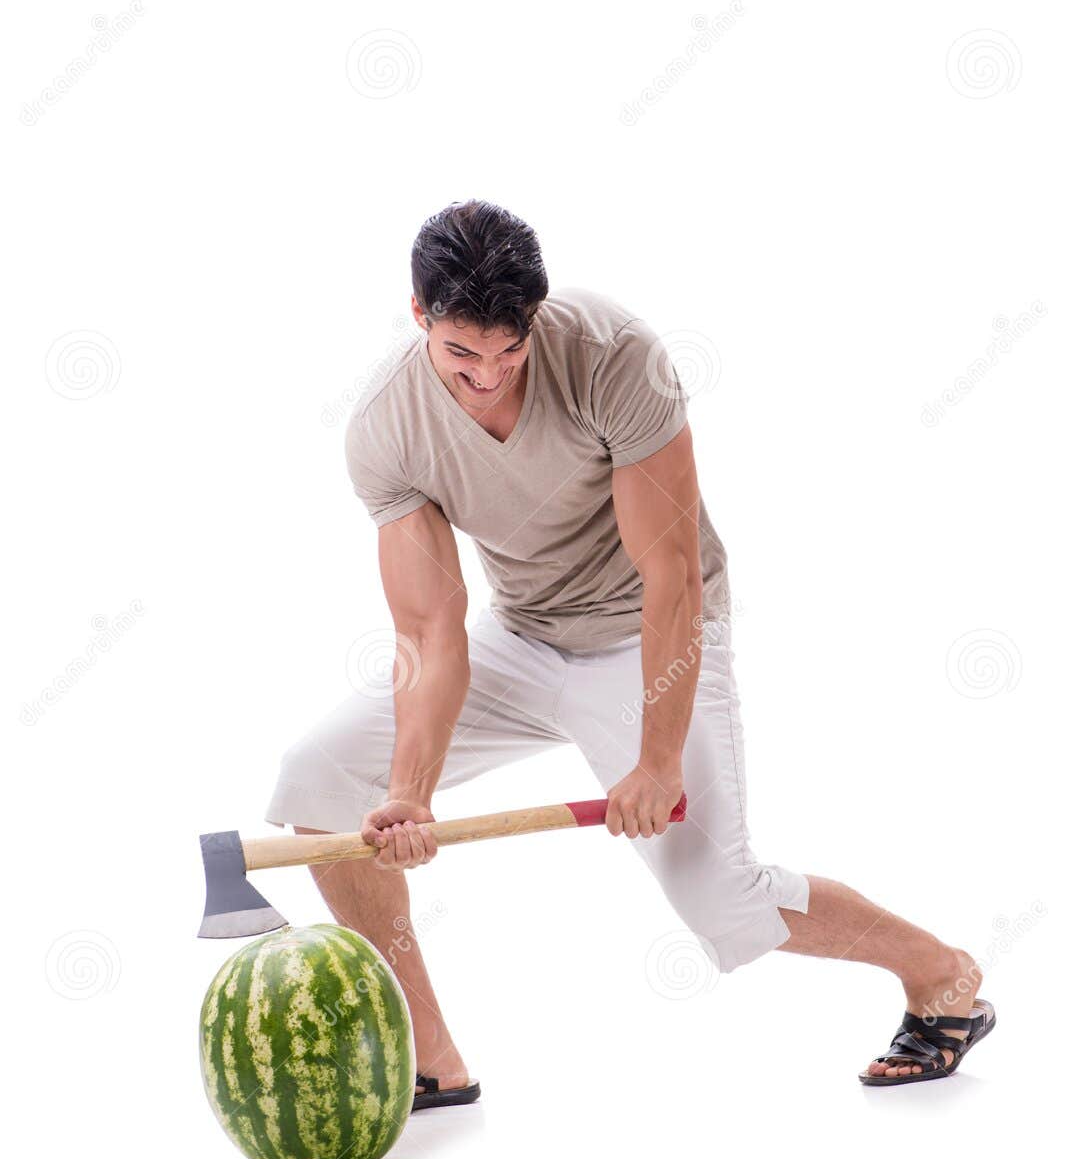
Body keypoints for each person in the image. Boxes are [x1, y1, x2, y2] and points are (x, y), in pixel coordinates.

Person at [266, 200, 995, 1101]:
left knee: (722, 901)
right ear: (419, 315)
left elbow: (672, 574)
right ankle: (431, 1060)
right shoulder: (384, 428)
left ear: (534, 318)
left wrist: (655, 760)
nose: (488, 377)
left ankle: (940, 973)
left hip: (644, 634)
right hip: (523, 635)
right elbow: (429, 628)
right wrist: (407, 794)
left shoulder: (615, 355)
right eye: (462, 355)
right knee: (318, 781)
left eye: (509, 351)